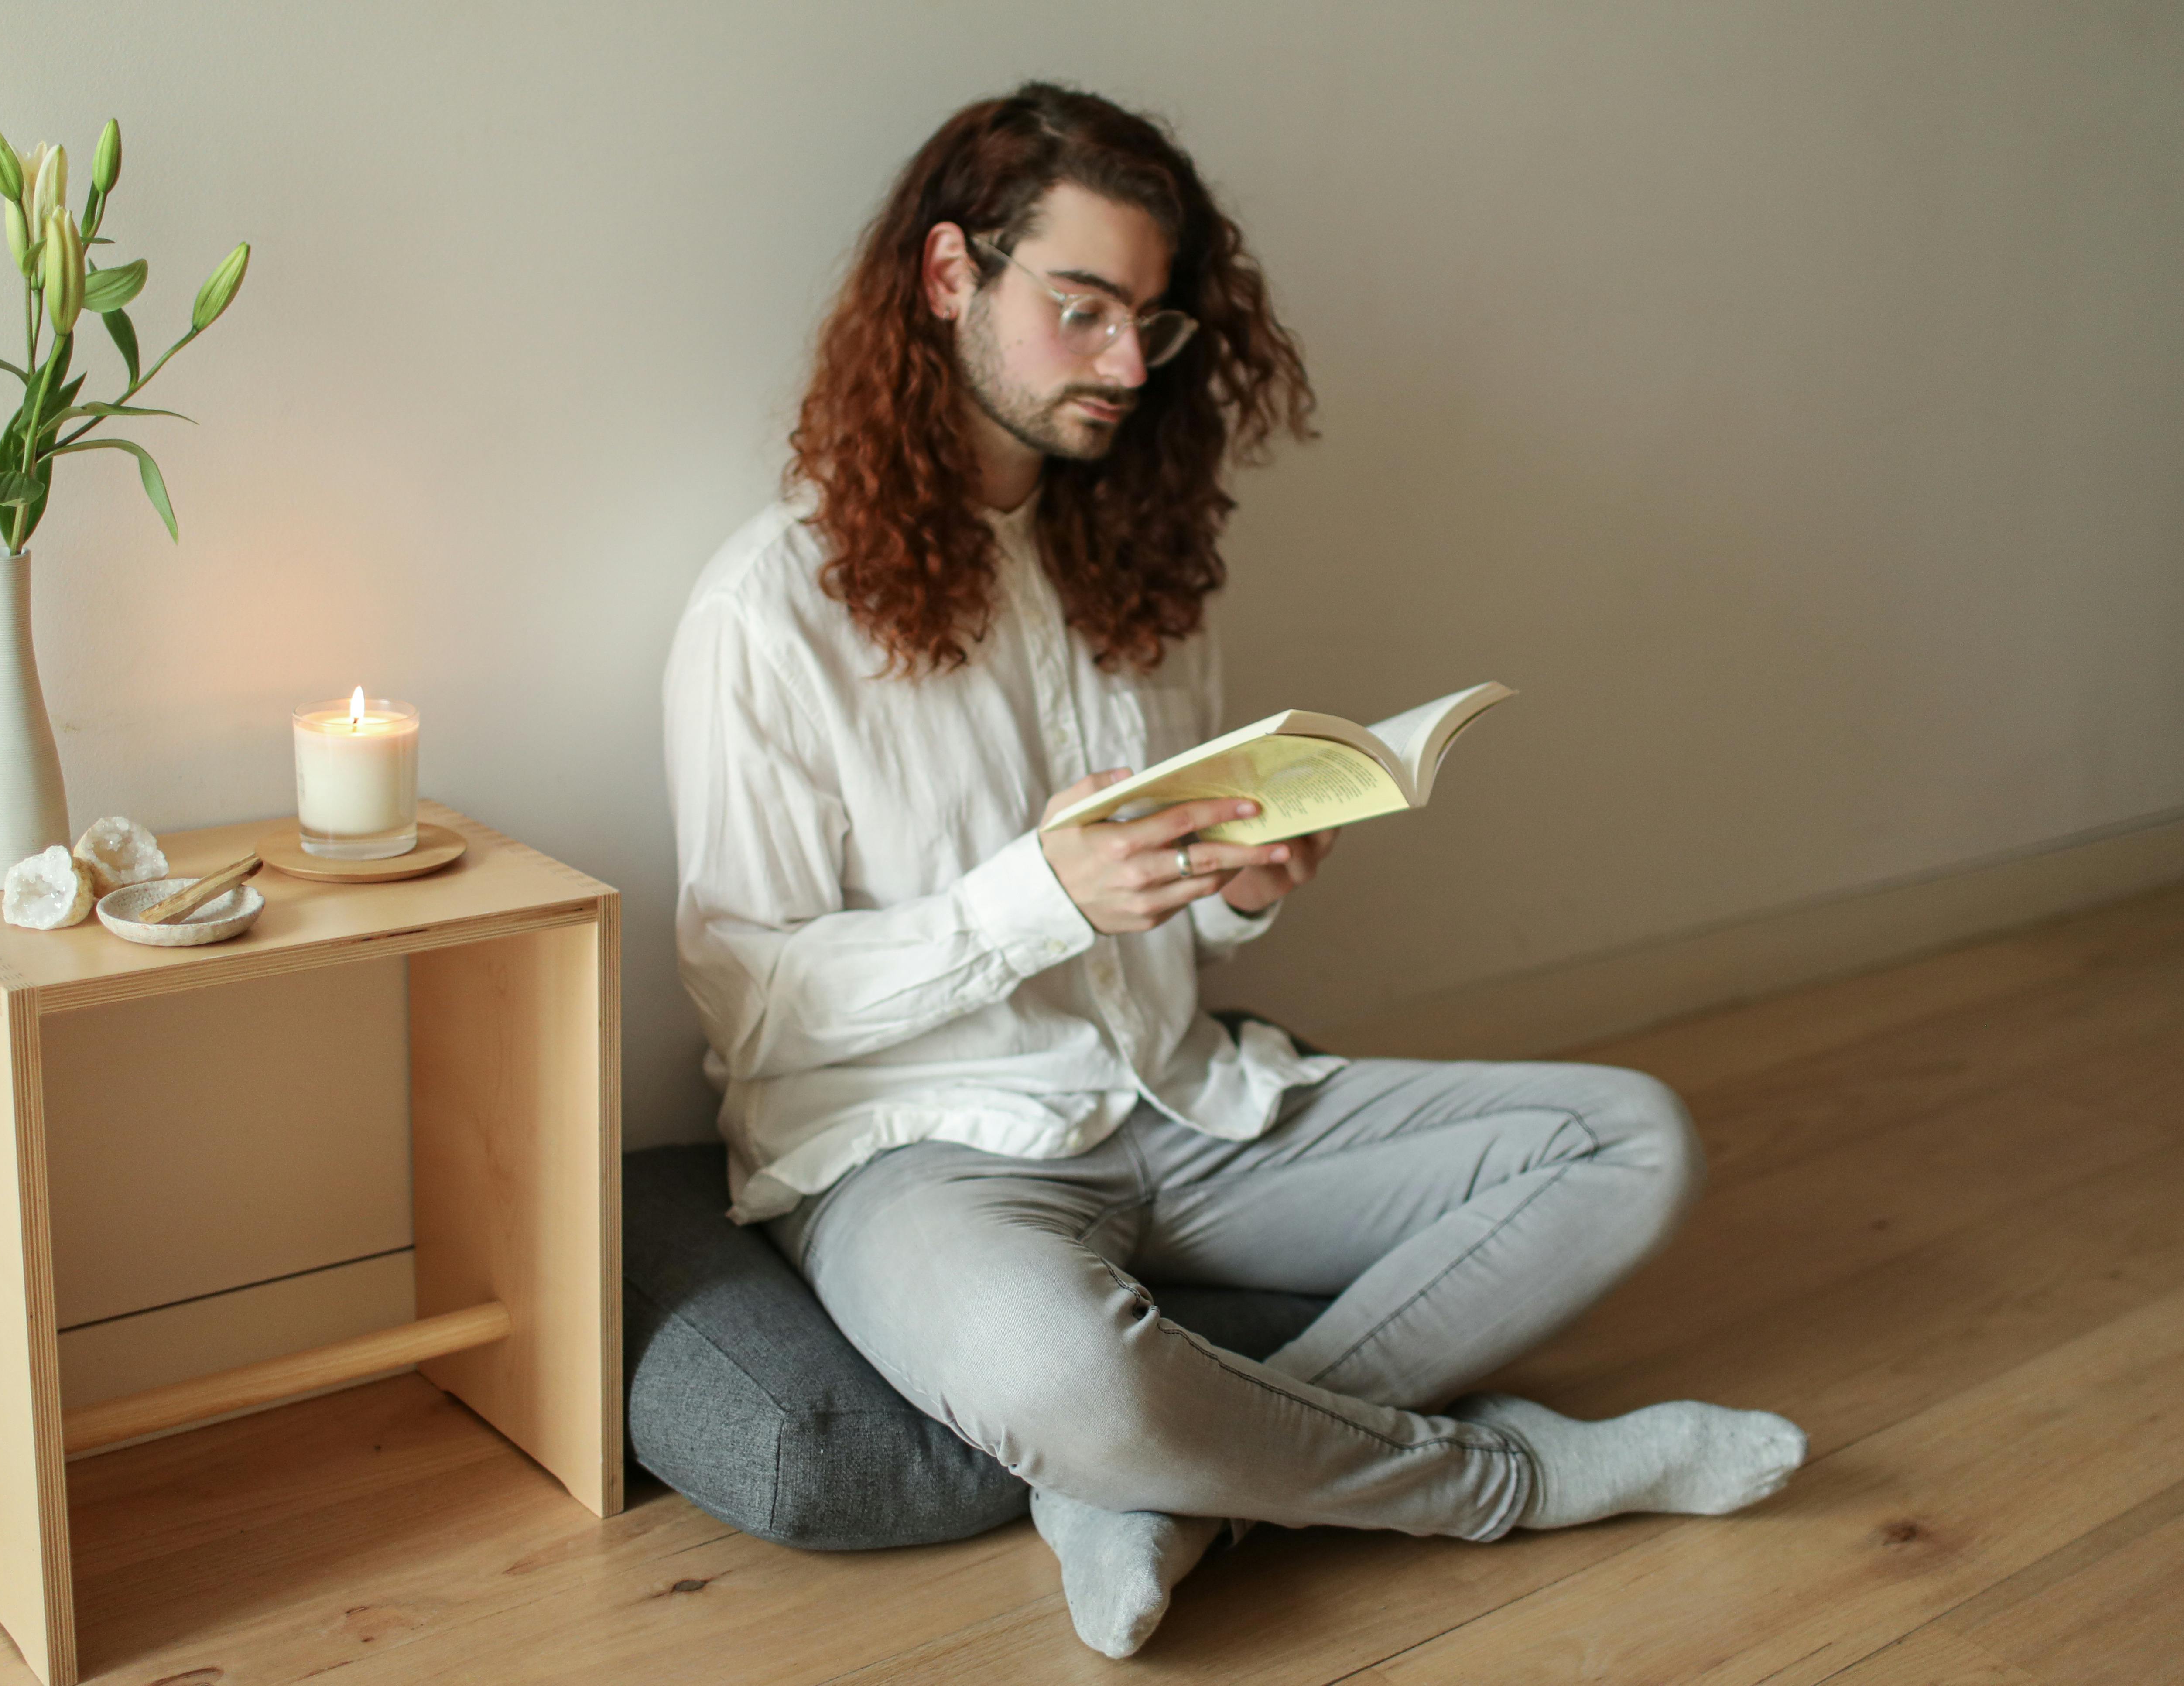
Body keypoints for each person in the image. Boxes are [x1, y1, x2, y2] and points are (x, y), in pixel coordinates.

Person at [662, 82, 1804, 1659]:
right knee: (1071, 1377)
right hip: (915, 1146)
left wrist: (1238, 882)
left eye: (1154, 324)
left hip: (1176, 1099)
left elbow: (1170, 937)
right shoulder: (765, 612)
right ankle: (1513, 1475)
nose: (1129, 365)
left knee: (1636, 1141)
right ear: (949, 280)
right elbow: (752, 1007)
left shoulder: (1134, 567)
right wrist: (1033, 896)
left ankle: (1162, 1489)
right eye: (1082, 311)